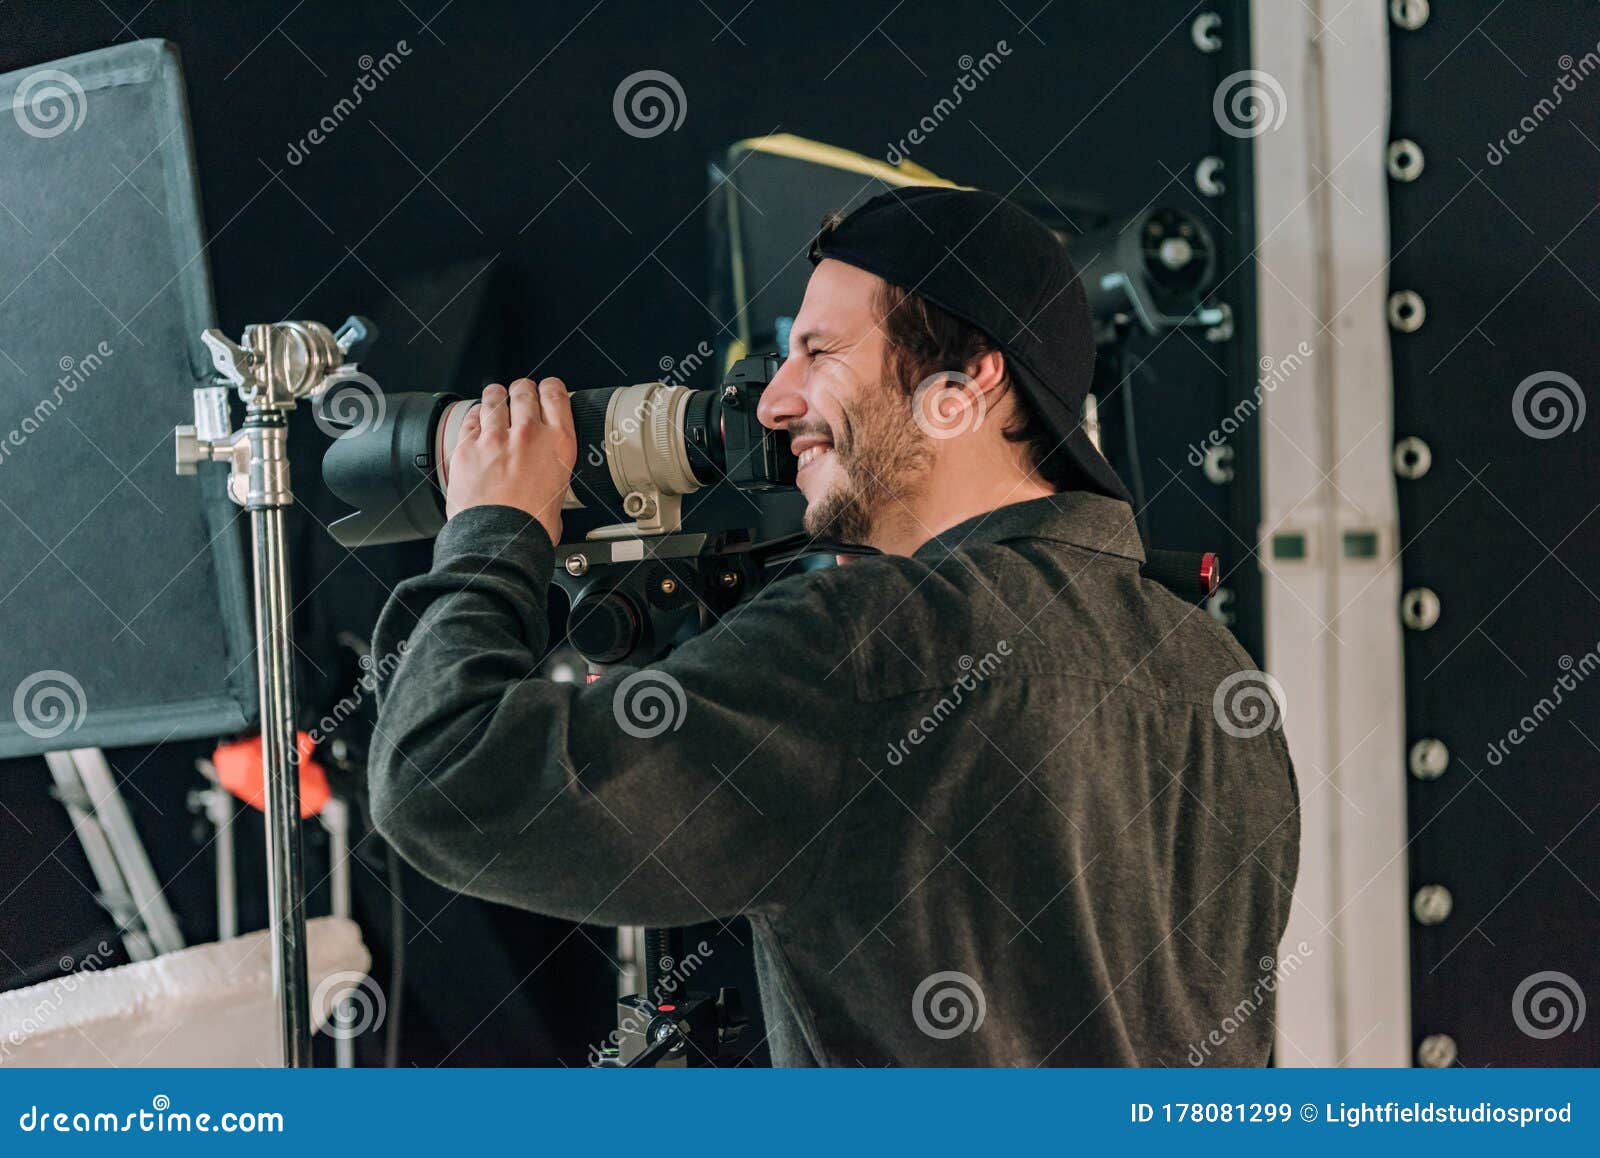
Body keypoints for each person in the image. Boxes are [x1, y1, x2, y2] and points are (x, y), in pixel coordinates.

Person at [367, 186, 1300, 1066]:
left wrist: (493, 533)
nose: (774, 400)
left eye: (820, 352)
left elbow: (442, 782)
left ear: (968, 382)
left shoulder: (867, 642)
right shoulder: (1214, 674)